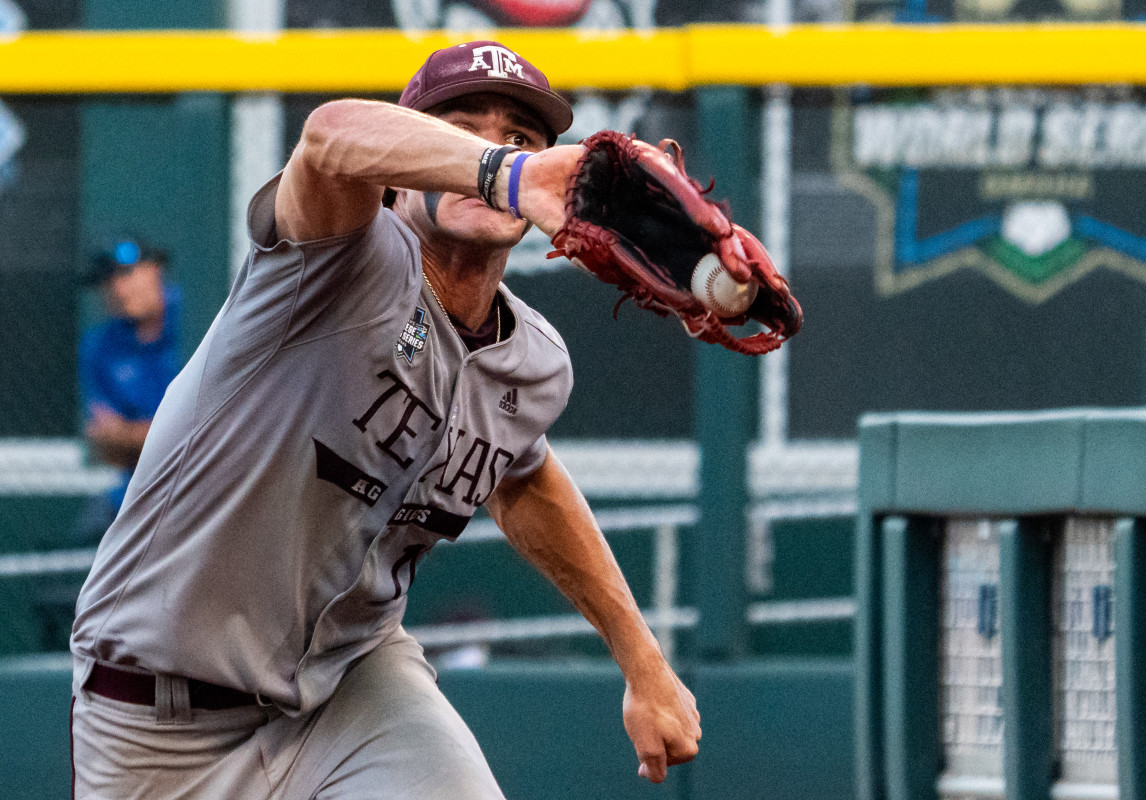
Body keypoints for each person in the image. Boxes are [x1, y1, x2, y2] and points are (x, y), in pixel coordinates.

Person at [69, 40, 700, 799]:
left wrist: (643, 664)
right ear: (406, 171)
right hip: (163, 713)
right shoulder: (335, 258)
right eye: (459, 131)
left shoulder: (533, 361)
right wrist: (507, 170)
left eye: (520, 139)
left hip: (354, 685)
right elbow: (333, 137)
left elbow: (525, 479)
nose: (493, 150)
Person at [75, 239, 181, 545]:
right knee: (77, 556)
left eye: (126, 275)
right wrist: (162, 435)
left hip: (209, 486)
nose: (118, 290)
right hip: (135, 493)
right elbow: (104, 443)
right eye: (108, 282)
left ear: (155, 269)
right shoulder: (100, 346)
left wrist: (129, 434)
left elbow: (210, 436)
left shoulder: (199, 318)